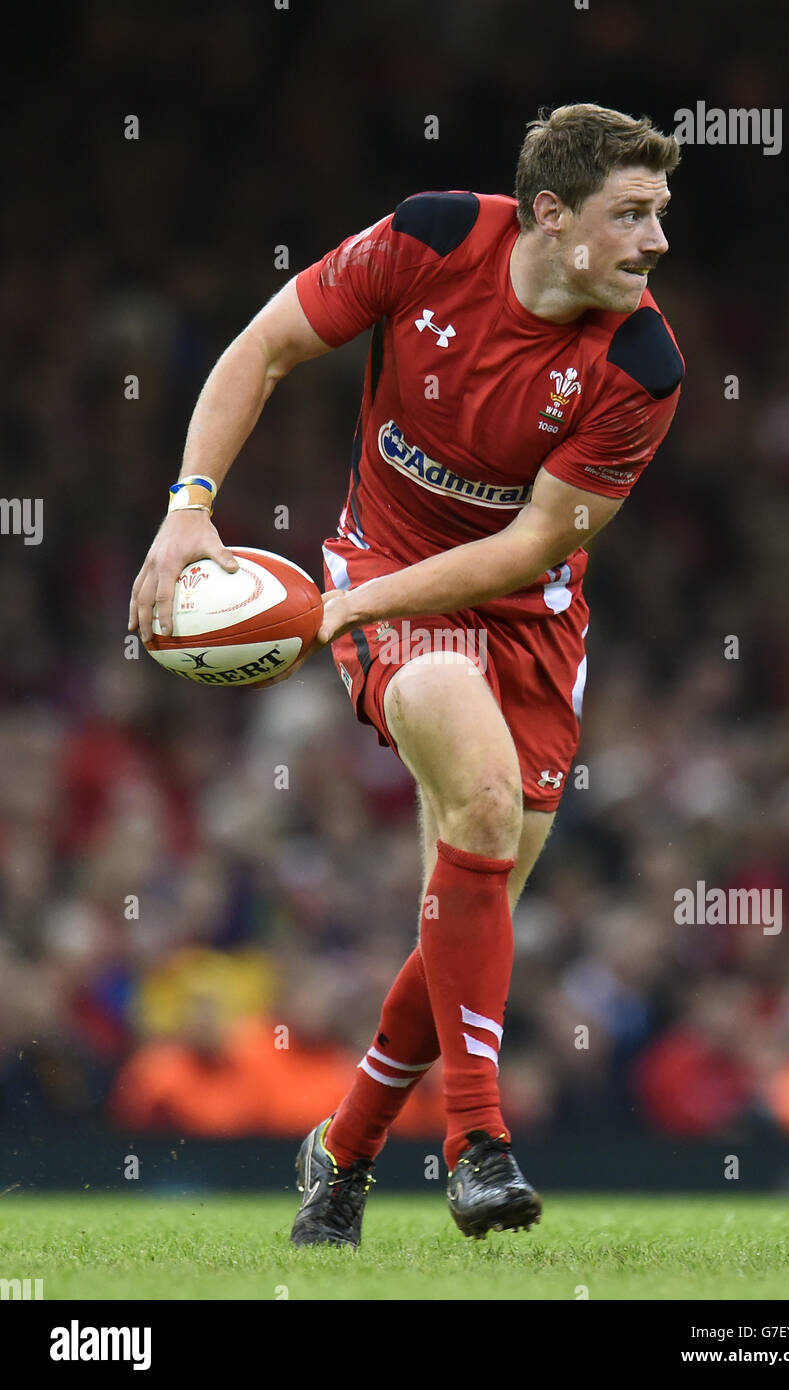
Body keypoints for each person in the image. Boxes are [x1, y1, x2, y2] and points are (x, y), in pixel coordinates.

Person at [129, 102, 684, 1246]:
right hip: (390, 571)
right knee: (477, 798)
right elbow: (266, 346)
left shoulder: (640, 363)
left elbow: (534, 545)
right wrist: (189, 510)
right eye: (629, 214)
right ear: (547, 215)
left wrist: (335, 609)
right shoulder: (429, 240)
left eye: (659, 214)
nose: (656, 241)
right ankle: (477, 1141)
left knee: (467, 913)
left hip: (529, 623)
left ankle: (339, 1153)